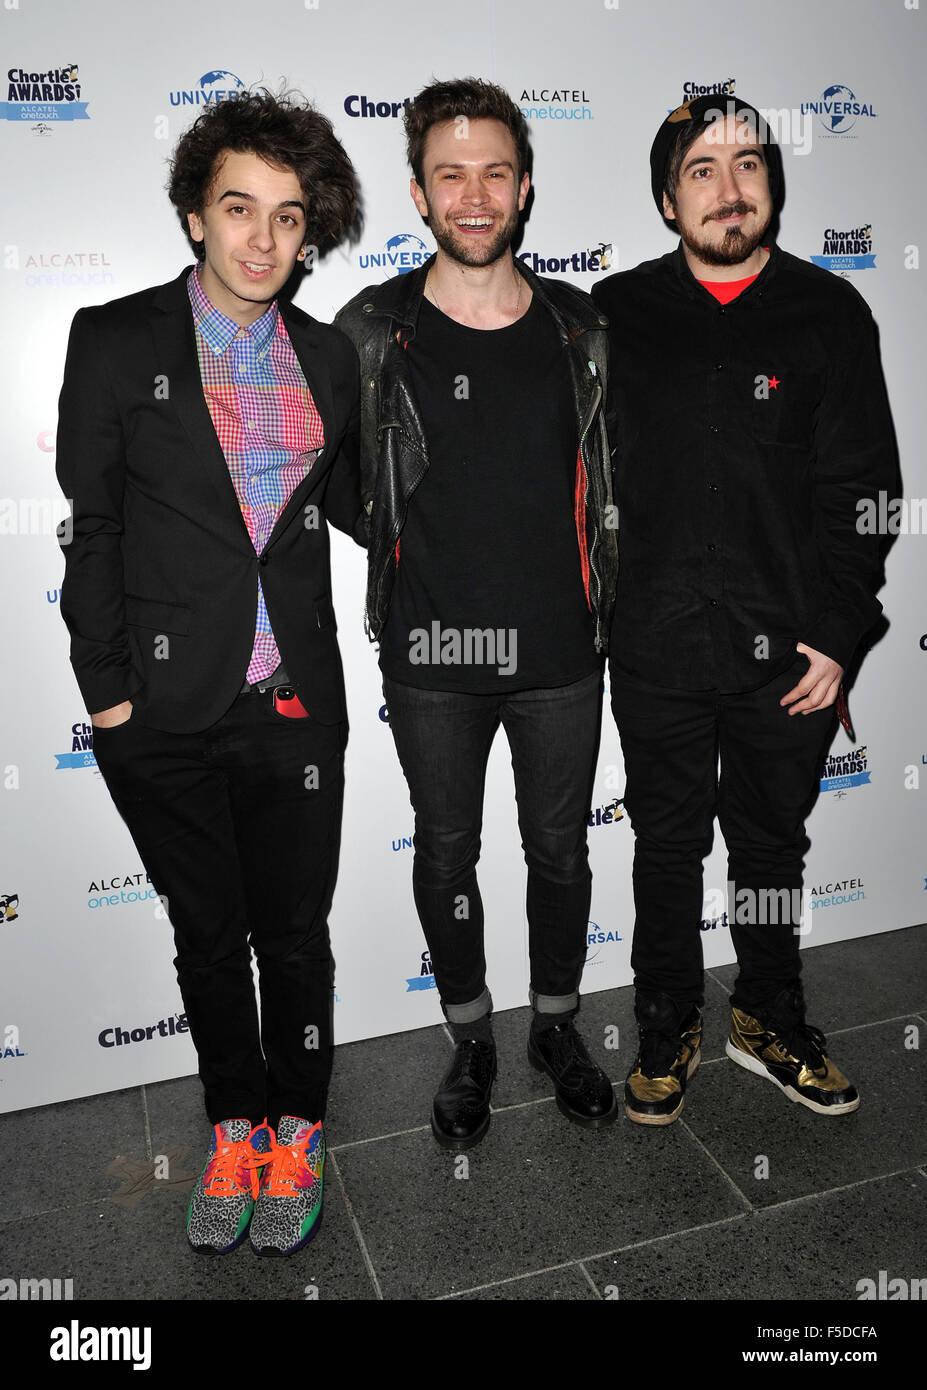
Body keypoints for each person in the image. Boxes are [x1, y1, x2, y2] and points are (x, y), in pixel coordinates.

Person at [56, 89, 365, 1252]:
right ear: (196, 213)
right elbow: (93, 525)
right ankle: (232, 1122)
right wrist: (109, 694)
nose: (262, 239)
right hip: (164, 709)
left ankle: (300, 1124)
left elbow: (357, 511)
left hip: (292, 705)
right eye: (240, 208)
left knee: (294, 933)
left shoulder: (331, 358)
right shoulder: (117, 337)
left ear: (309, 229)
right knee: (204, 931)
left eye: (288, 217)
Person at [591, 95, 895, 1125]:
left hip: (791, 655)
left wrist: (842, 634)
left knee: (770, 847)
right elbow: (570, 479)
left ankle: (768, 1013)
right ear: (668, 197)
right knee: (667, 846)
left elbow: (865, 489)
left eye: (751, 163)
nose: (732, 187)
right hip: (656, 646)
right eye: (704, 169)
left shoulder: (831, 314)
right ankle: (668, 1019)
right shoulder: (616, 314)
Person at [336, 77, 620, 1149]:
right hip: (431, 653)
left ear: (525, 186)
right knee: (446, 855)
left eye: (493, 171)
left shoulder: (581, 327)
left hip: (560, 651)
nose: (473, 192)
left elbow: (614, 483)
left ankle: (554, 1024)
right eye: (450, 173)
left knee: (560, 853)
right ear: (418, 192)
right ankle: (469, 1038)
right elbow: (347, 492)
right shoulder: (372, 331)